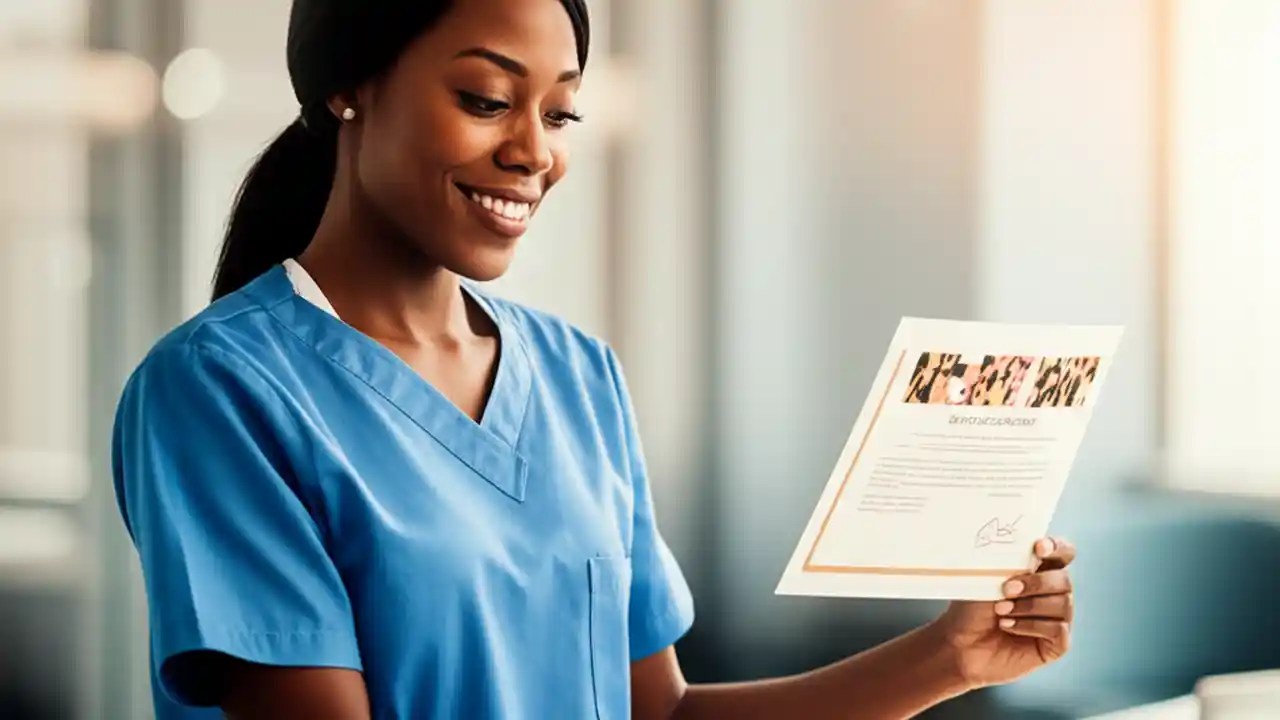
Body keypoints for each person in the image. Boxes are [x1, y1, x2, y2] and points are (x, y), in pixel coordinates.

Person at [110, 1, 1077, 718]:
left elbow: (660, 714)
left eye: (561, 113)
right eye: (487, 99)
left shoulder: (578, 377)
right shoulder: (219, 389)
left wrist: (950, 658)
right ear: (348, 87)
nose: (534, 152)